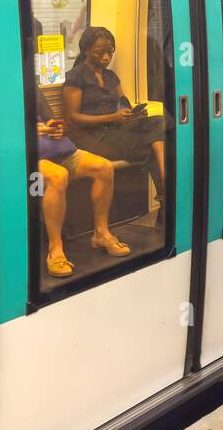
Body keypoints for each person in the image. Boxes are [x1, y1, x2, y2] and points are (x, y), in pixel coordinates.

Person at [62, 27, 167, 214]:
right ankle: (165, 194)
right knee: (152, 144)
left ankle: (165, 191)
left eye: (110, 51)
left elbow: (122, 105)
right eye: (99, 52)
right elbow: (73, 117)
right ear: (86, 50)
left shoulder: (111, 77)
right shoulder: (76, 76)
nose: (106, 57)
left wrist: (132, 115)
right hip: (91, 137)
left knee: (158, 120)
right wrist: (112, 117)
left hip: (114, 130)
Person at [35, 92, 129, 277]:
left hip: (55, 149)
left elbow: (50, 120)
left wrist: (55, 129)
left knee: (104, 167)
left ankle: (100, 234)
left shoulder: (31, 87)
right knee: (58, 176)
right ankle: (55, 249)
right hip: (25, 154)